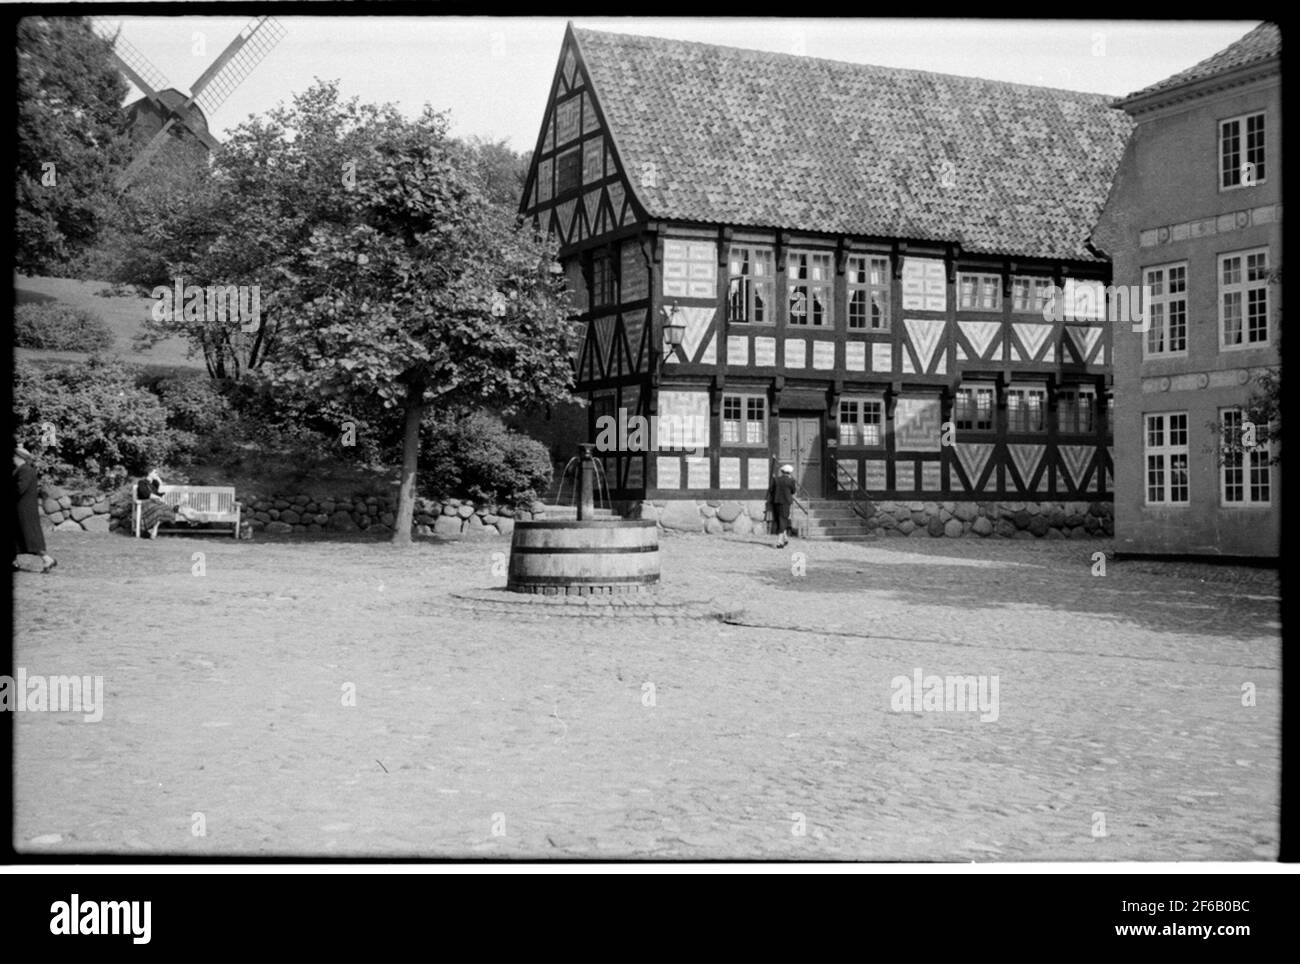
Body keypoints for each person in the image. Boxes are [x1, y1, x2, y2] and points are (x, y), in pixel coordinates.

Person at [14, 447, 56, 573]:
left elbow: (20, 488)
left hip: (24, 510)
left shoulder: (25, 470)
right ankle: (14, 562)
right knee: (18, 535)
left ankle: (47, 559)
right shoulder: (21, 470)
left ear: (19, 457)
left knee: (30, 536)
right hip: (20, 509)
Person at [136, 469, 182, 539]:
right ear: (149, 473)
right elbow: (145, 494)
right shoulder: (142, 482)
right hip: (146, 503)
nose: (157, 474)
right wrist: (157, 497)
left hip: (155, 502)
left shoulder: (155, 483)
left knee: (168, 509)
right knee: (159, 510)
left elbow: (160, 491)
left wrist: (159, 481)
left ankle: (154, 528)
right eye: (155, 472)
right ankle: (152, 529)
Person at [768, 463, 802, 548]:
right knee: (783, 520)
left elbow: (771, 490)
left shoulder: (776, 479)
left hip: (776, 502)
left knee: (780, 519)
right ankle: (780, 541)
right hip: (785, 502)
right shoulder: (791, 481)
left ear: (782, 471)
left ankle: (785, 538)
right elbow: (793, 491)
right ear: (789, 473)